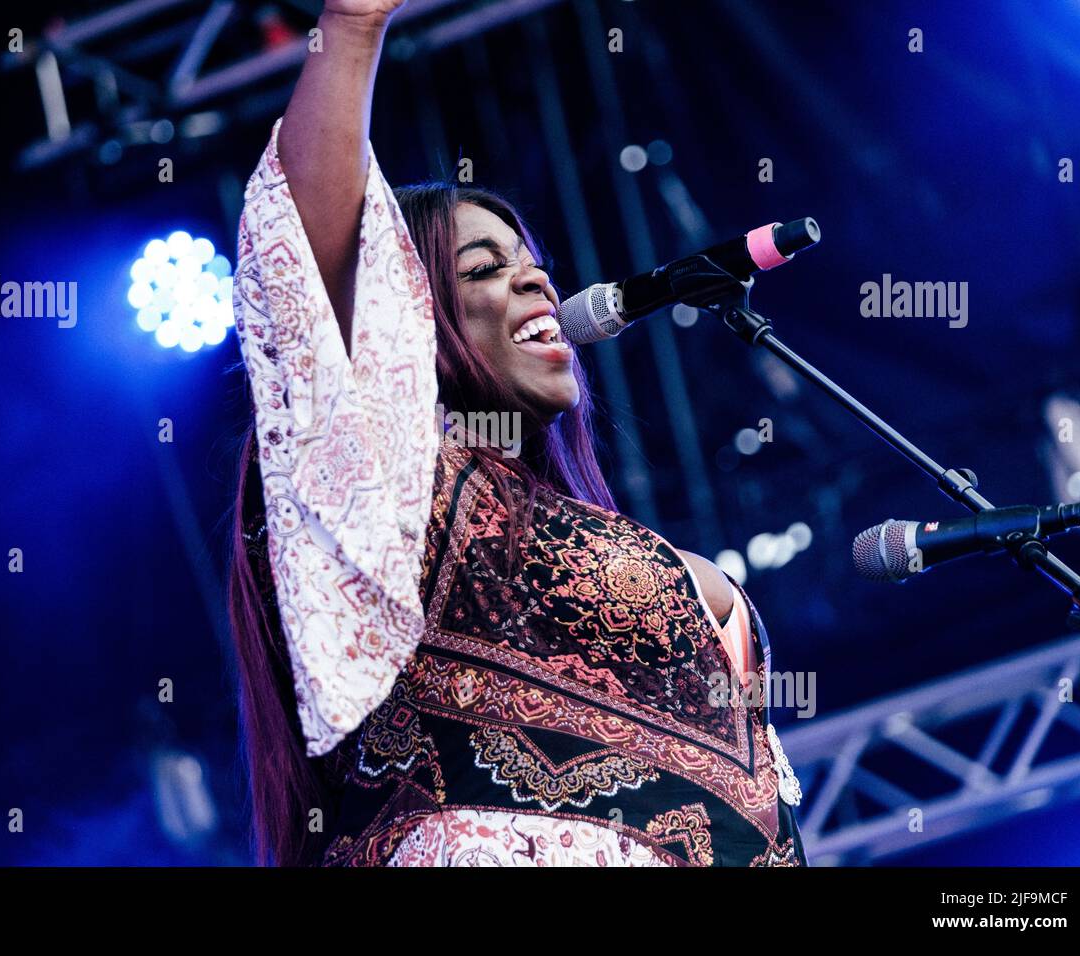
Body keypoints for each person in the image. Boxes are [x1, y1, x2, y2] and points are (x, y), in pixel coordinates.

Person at [228, 0, 805, 866]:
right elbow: (310, 272)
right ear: (404, 325)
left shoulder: (554, 516)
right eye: (483, 269)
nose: (534, 278)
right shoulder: (402, 479)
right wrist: (352, 26)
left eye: (530, 259)